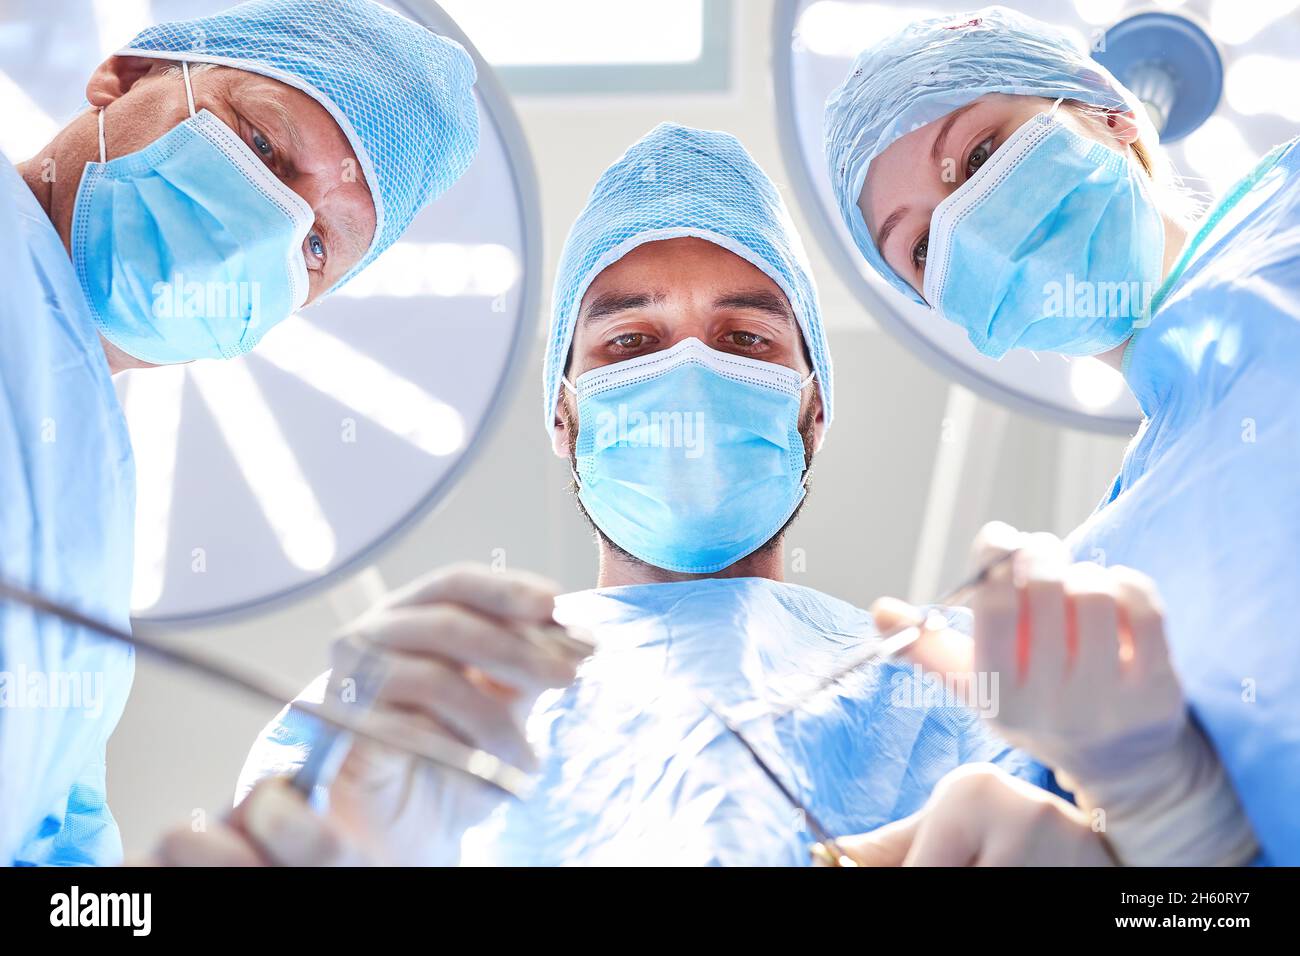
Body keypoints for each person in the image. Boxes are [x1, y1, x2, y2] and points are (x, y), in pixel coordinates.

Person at [218, 124, 1241, 867]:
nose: (689, 371)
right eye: (629, 343)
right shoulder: (415, 699)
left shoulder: (963, 683)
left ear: (810, 413)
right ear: (564, 418)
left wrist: (1161, 827)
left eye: (747, 339)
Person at [0, 0, 479, 865]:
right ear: (127, 76)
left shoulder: (93, 502)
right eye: (262, 145)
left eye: (317, 248)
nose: (268, 226)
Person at [824, 5, 1300, 863]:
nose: (970, 224)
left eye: (979, 154)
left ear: (1112, 112)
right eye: (926, 248)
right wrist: (1173, 832)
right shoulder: (1085, 596)